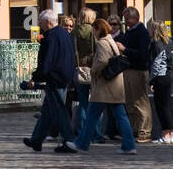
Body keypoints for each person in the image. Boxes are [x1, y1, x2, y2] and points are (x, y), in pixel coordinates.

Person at [74, 18, 137, 155]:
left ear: (98, 29)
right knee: (120, 116)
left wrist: (93, 71)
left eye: (94, 30)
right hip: (114, 86)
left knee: (92, 116)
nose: (93, 33)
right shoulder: (111, 41)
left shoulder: (102, 43)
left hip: (104, 87)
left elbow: (102, 61)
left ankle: (82, 144)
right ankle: (129, 144)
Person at [23, 9, 78, 154]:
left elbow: (46, 62)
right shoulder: (64, 34)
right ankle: (36, 140)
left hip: (55, 78)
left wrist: (35, 78)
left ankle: (70, 140)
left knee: (59, 111)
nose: (40, 25)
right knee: (47, 111)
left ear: (48, 22)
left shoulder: (50, 38)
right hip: (64, 76)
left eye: (41, 22)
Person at [121, 6, 153, 144]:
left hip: (138, 70)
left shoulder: (141, 32)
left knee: (140, 103)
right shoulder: (129, 32)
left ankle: (144, 132)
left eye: (127, 18)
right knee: (130, 103)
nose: (126, 21)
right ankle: (135, 129)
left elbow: (142, 54)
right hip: (128, 70)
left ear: (135, 18)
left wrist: (125, 49)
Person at [73, 8, 101, 138]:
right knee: (96, 102)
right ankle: (96, 133)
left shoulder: (74, 32)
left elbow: (72, 52)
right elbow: (98, 50)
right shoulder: (93, 31)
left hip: (78, 70)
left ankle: (82, 132)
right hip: (93, 70)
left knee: (82, 102)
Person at [147, 20, 173, 144]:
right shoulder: (167, 42)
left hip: (160, 77)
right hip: (167, 77)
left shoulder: (155, 44)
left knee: (162, 108)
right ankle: (170, 135)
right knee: (167, 106)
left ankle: (165, 135)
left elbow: (156, 64)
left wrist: (150, 80)